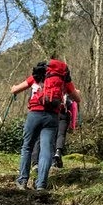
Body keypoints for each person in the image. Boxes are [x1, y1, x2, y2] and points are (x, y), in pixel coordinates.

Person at [11, 58, 83, 191]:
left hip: (34, 114)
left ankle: (22, 181)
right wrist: (74, 93)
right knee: (46, 150)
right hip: (52, 117)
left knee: (27, 147)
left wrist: (13, 89)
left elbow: (16, 89)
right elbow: (77, 99)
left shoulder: (36, 76)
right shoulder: (63, 80)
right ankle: (41, 185)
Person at [32, 93, 78, 169]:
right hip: (64, 114)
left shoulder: (46, 89)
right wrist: (72, 125)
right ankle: (57, 154)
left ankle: (36, 162)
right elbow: (74, 107)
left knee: (48, 137)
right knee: (60, 135)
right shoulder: (68, 90)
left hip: (49, 114)